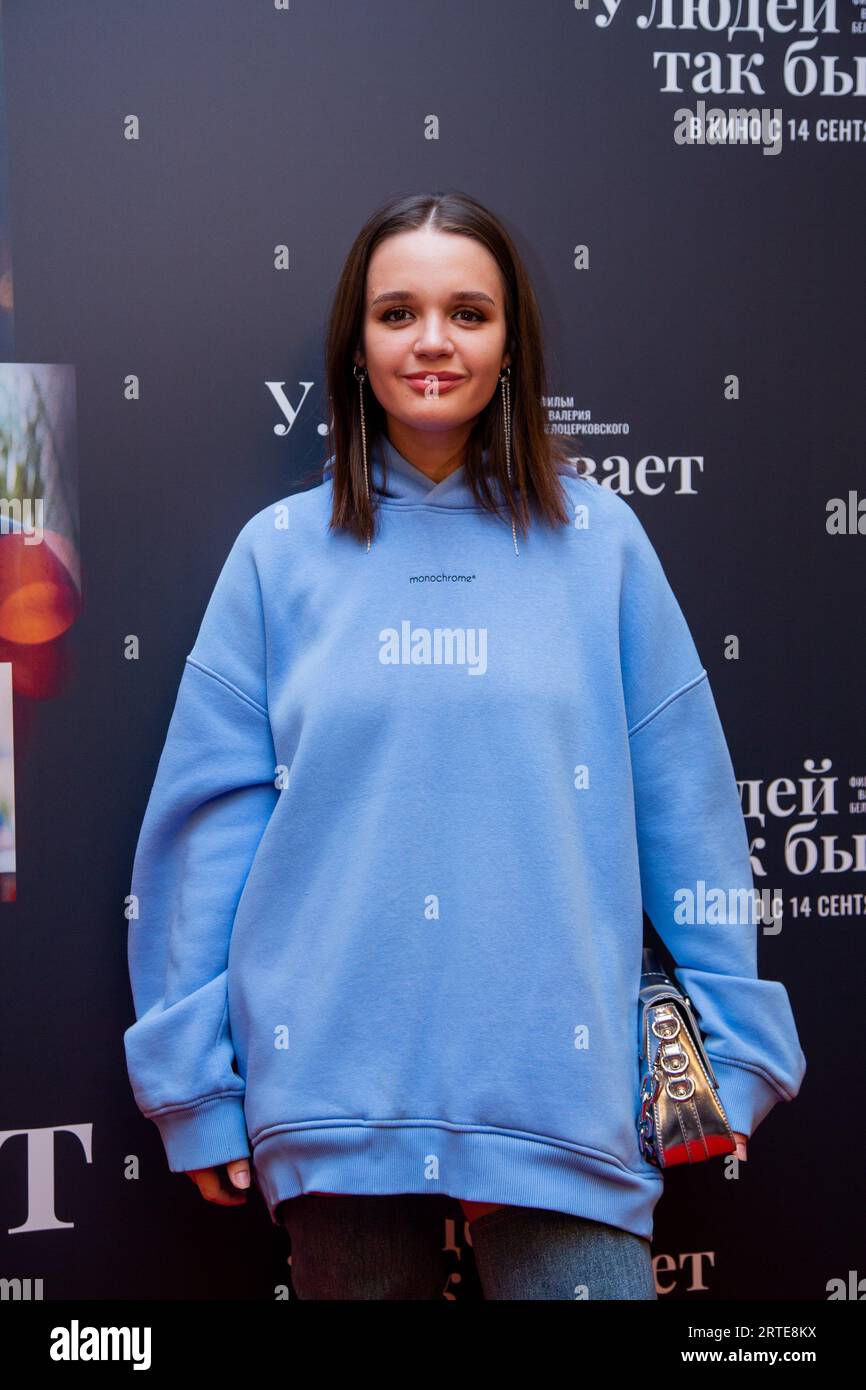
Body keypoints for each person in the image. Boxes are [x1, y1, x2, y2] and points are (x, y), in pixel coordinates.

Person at [123, 190, 806, 1300]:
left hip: (561, 1089)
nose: (431, 341)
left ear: (509, 343)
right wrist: (193, 1085)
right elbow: (206, 838)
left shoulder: (602, 545)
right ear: (356, 344)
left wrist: (727, 1051)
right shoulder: (275, 556)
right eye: (397, 312)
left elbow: (685, 808)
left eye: (466, 312)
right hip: (332, 1081)